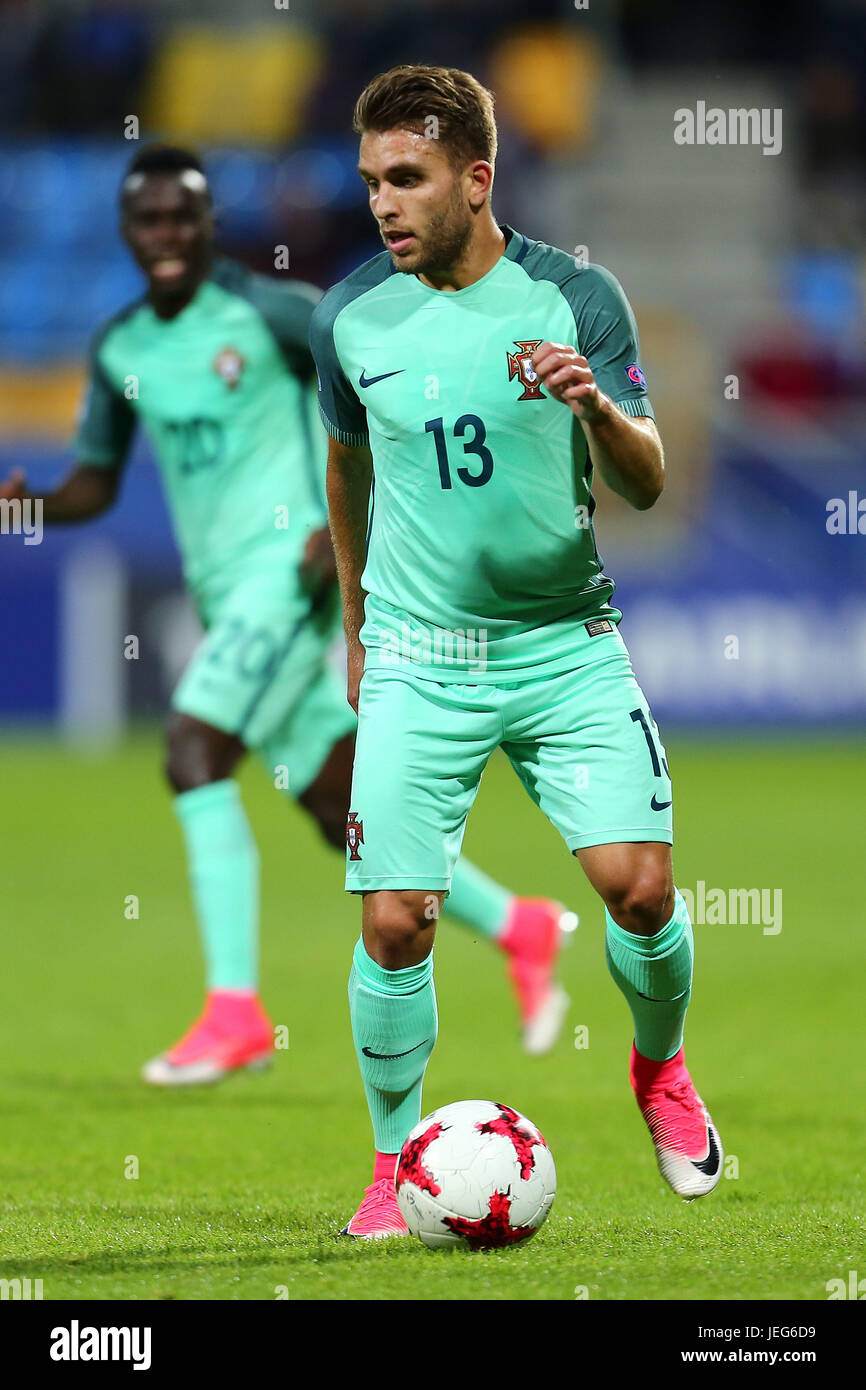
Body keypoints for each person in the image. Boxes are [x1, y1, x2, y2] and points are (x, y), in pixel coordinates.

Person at [0, 144, 573, 1085]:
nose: (168, 235)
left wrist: (351, 526)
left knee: (193, 747)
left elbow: (382, 406)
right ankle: (519, 927)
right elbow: (96, 486)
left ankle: (235, 1012)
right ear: (128, 233)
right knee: (334, 804)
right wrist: (29, 505)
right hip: (227, 589)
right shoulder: (121, 349)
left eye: (184, 216)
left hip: (297, 566)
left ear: (210, 223)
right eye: (149, 221)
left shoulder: (273, 314)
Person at [311, 66, 723, 1238]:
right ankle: (392, 1167)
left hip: (561, 646)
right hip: (416, 652)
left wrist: (596, 408)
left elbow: (643, 485)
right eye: (371, 182)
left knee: (637, 893)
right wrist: (356, 630)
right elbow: (346, 471)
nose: (382, 204)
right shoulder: (348, 319)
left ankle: (659, 1071)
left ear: (476, 178)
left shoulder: (575, 296)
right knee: (395, 918)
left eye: (408, 179)